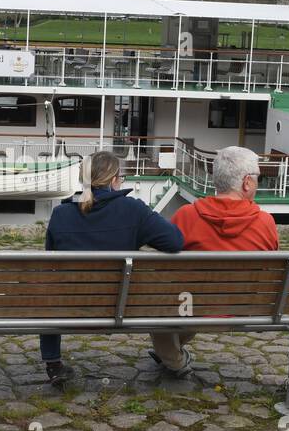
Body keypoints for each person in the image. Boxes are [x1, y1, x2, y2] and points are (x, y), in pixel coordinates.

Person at [42, 150, 183, 384]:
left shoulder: (60, 214)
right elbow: (175, 241)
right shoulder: (132, 210)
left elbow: (50, 264)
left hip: (69, 304)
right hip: (121, 305)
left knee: (48, 288)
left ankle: (53, 363)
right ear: (115, 180)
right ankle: (170, 355)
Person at [149, 146, 279, 374]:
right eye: (258, 177)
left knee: (167, 298)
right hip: (245, 308)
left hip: (192, 308)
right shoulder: (265, 222)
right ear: (247, 182)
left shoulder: (186, 216)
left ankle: (173, 358)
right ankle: (173, 357)